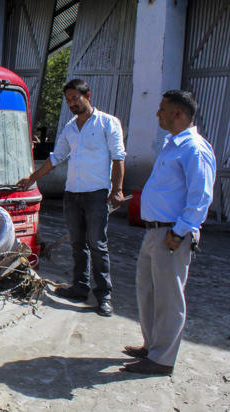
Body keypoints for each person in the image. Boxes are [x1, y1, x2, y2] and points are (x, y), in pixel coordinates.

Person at [121, 90, 216, 376]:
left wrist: (179, 232)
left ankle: (162, 360)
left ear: (179, 113)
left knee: (169, 297)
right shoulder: (172, 145)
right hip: (155, 232)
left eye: (162, 109)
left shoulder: (194, 148)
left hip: (171, 235)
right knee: (147, 292)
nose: (157, 114)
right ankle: (152, 346)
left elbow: (200, 197)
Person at [17, 79, 125, 316]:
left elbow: (118, 157)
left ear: (88, 95)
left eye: (75, 98)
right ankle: (79, 287)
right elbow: (56, 158)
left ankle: (104, 295)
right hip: (73, 194)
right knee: (78, 244)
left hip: (97, 194)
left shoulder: (108, 123)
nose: (71, 103)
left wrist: (117, 190)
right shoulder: (70, 127)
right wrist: (32, 178)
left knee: (97, 244)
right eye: (68, 99)